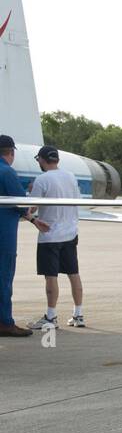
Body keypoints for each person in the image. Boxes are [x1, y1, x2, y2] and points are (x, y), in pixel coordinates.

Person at [25, 145, 85, 329]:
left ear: (42, 160)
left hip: (50, 235)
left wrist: (30, 192)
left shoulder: (42, 179)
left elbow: (31, 208)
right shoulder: (71, 177)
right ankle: (78, 314)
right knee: (73, 274)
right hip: (70, 233)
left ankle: (51, 317)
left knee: (51, 276)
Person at [0, 135, 32, 337]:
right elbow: (21, 203)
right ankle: (5, 322)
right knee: (3, 279)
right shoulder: (7, 172)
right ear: (10, 153)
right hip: (4, 235)